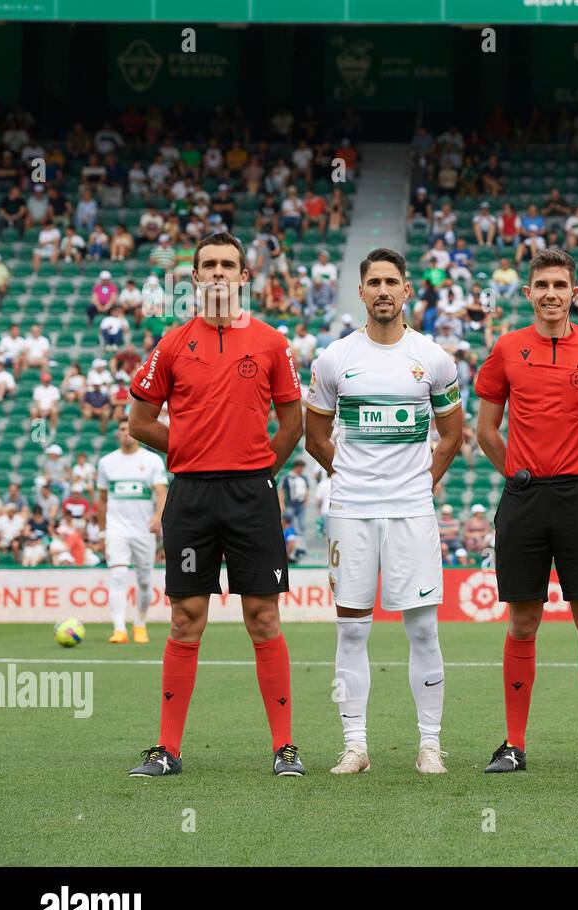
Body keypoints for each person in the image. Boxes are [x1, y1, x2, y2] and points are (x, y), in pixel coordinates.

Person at [126, 231, 306, 779]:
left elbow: (293, 424)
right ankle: (167, 749)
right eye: (210, 266)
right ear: (196, 277)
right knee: (186, 619)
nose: (221, 273)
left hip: (251, 495)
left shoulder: (273, 342)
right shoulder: (173, 343)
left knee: (263, 617)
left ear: (245, 277)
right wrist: (186, 449)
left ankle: (285, 748)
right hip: (191, 497)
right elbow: (138, 423)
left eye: (230, 265)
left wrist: (258, 471)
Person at [304, 248, 464, 776]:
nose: (382, 291)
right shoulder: (333, 359)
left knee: (422, 630)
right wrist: (351, 477)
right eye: (373, 282)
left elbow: (453, 435)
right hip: (350, 511)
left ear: (407, 290)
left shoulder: (434, 358)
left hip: (411, 511)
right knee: (351, 631)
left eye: (391, 281)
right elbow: (314, 436)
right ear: (361, 291)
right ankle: (355, 745)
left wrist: (420, 483)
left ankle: (430, 744)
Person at [473, 247, 578, 774]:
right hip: (525, 498)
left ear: (574, 292)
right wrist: (511, 471)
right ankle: (513, 744)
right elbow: (485, 429)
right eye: (543, 285)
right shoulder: (508, 348)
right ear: (528, 292)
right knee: (523, 619)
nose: (552, 294)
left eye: (561, 285)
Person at [98, 419, 167, 644]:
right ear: (117, 434)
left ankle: (140, 623)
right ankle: (119, 629)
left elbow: (161, 492)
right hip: (116, 530)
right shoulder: (106, 463)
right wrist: (101, 531)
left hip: (143, 530)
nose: (125, 432)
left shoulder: (152, 461)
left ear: (135, 432)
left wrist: (158, 518)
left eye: (128, 428)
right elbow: (102, 499)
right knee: (117, 576)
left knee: (145, 581)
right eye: (121, 429)